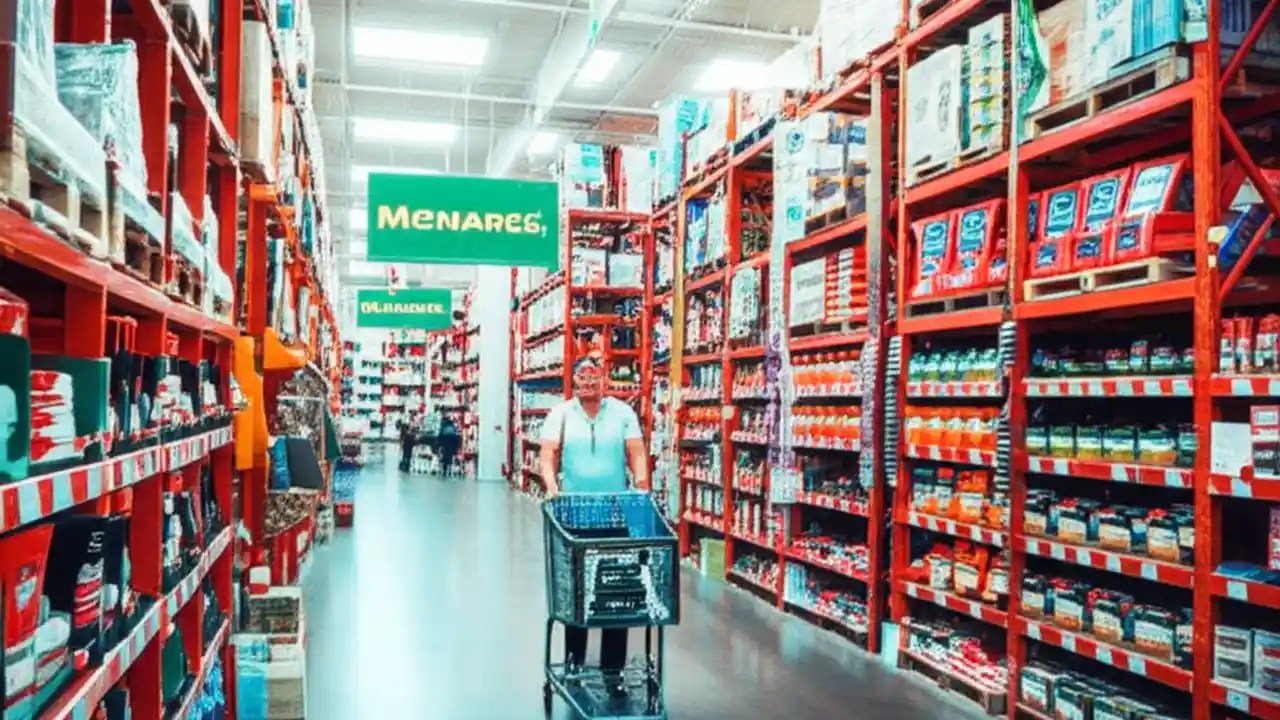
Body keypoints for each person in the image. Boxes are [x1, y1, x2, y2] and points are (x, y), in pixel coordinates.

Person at [539, 355, 649, 694]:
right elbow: (547, 455)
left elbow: (637, 453)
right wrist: (553, 490)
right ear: (573, 382)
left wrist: (642, 487)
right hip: (574, 514)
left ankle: (612, 670)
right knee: (577, 591)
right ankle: (573, 661)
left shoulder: (623, 413)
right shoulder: (560, 414)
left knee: (615, 592)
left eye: (594, 377)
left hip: (615, 513)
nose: (589, 382)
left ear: (604, 381)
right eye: (582, 377)